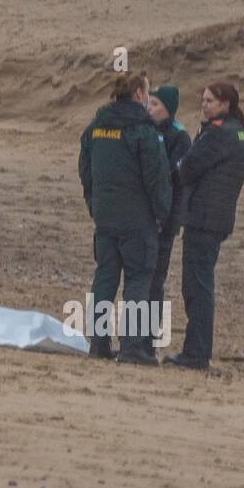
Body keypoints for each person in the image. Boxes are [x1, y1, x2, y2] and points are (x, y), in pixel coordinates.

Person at [77, 72, 172, 364]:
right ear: (140, 95)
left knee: (105, 278)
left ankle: (99, 343)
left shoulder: (96, 128)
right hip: (137, 220)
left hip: (105, 217)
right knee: (137, 280)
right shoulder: (143, 131)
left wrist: (95, 205)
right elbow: (157, 179)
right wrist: (161, 214)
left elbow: (86, 171)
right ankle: (132, 346)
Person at [166, 82, 244, 371]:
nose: (204, 105)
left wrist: (178, 164)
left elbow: (187, 169)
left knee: (197, 287)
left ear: (225, 104)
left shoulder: (218, 134)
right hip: (214, 219)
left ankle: (196, 353)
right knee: (200, 285)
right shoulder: (237, 132)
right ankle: (196, 350)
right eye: (203, 100)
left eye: (211, 101)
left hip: (204, 219)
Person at [145, 84, 191, 351]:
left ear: (168, 109)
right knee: (141, 277)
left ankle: (149, 339)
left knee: (155, 279)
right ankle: (135, 337)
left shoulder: (180, 137)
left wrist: (168, 219)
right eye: (149, 103)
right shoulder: (146, 130)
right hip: (145, 217)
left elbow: (175, 179)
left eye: (156, 105)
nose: (150, 109)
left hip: (166, 218)